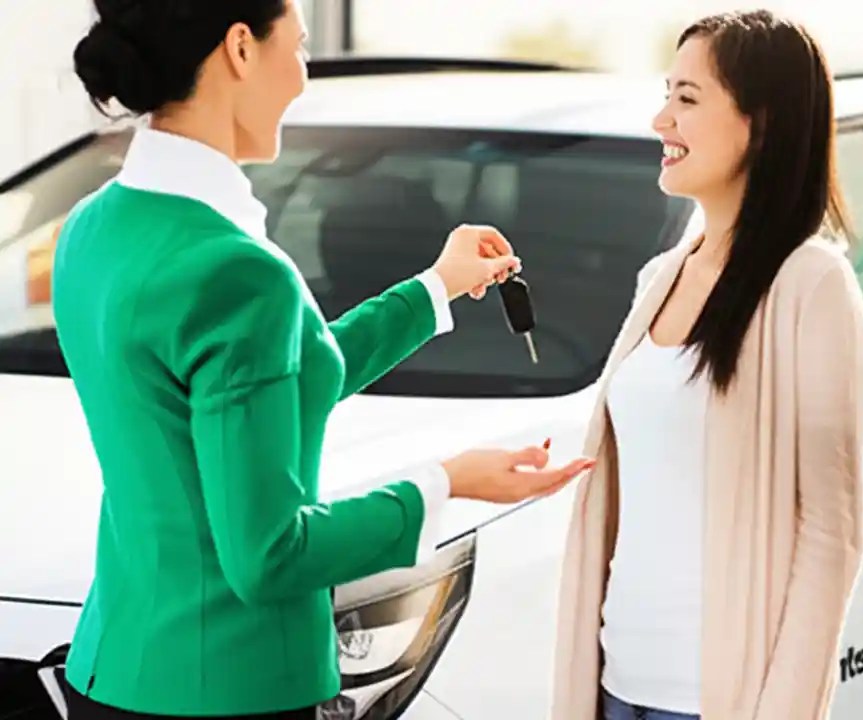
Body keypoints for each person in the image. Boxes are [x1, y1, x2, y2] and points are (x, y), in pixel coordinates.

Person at [56, 1, 593, 718]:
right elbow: (270, 555)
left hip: (114, 667)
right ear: (241, 48)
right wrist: (447, 481)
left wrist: (436, 289)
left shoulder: (93, 228)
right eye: (300, 47)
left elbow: (270, 382)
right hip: (234, 692)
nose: (302, 78)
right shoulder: (237, 272)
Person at [550, 10, 863, 719]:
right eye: (667, 93)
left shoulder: (809, 283)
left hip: (713, 701)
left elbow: (832, 535)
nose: (662, 119)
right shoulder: (661, 276)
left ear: (761, 121)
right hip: (616, 686)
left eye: (688, 99)